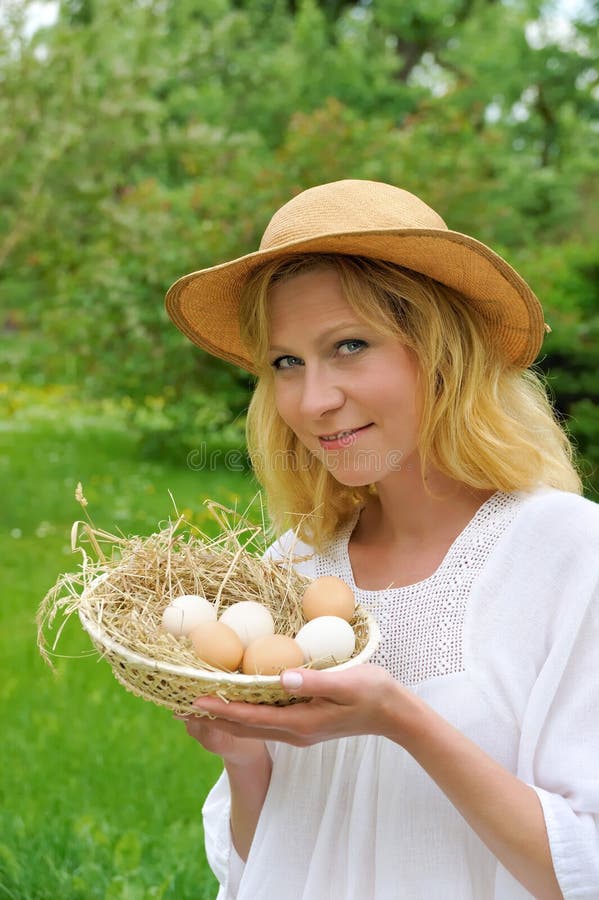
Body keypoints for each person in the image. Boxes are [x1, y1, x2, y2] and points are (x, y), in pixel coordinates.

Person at [165, 180, 599, 899]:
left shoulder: (568, 555)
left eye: (349, 346)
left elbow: (580, 868)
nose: (313, 400)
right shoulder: (292, 569)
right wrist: (245, 757)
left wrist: (401, 720)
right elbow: (258, 866)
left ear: (439, 353)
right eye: (285, 363)